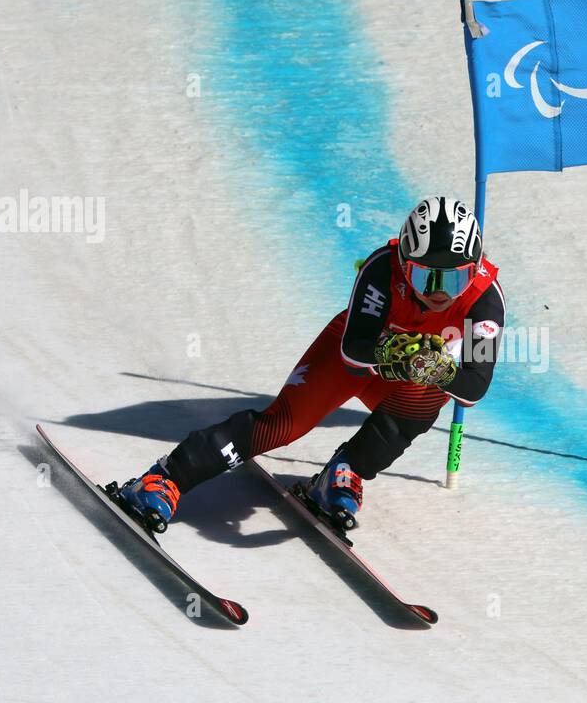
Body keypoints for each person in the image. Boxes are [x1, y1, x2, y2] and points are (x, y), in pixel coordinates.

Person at [116, 196, 504, 533]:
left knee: (426, 399)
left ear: (474, 270)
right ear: (405, 263)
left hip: (401, 376)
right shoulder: (382, 268)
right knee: (283, 426)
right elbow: (355, 347)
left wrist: (439, 370)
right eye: (425, 276)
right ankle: (165, 477)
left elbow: (474, 388)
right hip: (348, 357)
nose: (438, 292)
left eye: (453, 281)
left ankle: (347, 468)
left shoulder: (485, 300)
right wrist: (392, 353)